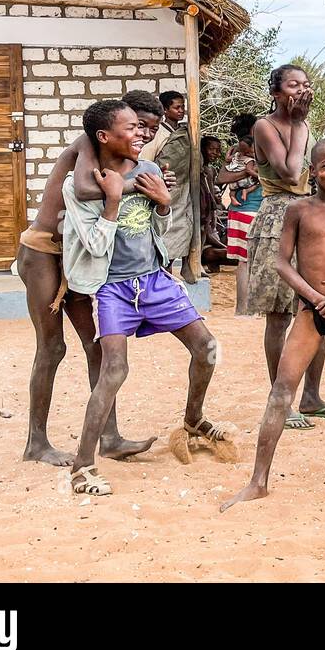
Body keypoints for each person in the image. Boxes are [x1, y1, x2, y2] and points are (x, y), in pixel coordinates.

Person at [62, 100, 229, 496]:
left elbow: (159, 226)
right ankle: (82, 466)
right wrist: (114, 200)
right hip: (111, 288)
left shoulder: (150, 170)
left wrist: (165, 204)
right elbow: (94, 244)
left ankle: (193, 420)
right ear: (104, 137)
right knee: (114, 371)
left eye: (142, 127)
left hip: (155, 279)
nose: (141, 134)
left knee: (206, 348)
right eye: (131, 128)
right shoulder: (79, 186)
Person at [16, 90, 166, 467]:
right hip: (44, 253)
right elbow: (84, 189)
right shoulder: (89, 140)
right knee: (52, 347)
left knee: (95, 345)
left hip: (79, 258)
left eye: (149, 131)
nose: (143, 136)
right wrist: (140, 187)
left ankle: (110, 438)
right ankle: (37, 442)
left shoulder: (125, 155)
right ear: (113, 128)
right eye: (138, 127)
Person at [222, 139, 325, 508]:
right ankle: (258, 481)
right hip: (311, 307)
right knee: (281, 391)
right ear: (313, 169)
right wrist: (317, 298)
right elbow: (281, 262)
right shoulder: (297, 209)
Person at [248, 65, 325, 430]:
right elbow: (289, 172)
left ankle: (312, 395)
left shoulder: (302, 125)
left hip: (310, 219)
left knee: (321, 309)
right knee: (280, 315)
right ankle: (281, 399)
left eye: (305, 84)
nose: (301, 91)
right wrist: (299, 126)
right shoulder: (265, 126)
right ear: (275, 92)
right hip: (277, 220)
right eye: (292, 85)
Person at [219, 123, 263, 316]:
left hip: (236, 212)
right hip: (253, 212)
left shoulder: (236, 158)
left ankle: (241, 309)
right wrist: (247, 171)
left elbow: (221, 177)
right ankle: (250, 309)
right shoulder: (263, 156)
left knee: (243, 263)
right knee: (253, 262)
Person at [153, 90, 195, 279]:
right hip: (167, 191)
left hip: (182, 192)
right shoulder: (159, 134)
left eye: (183, 107)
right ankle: (164, 280)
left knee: (181, 233)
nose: (181, 111)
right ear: (164, 109)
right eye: (177, 107)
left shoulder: (185, 132)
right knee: (165, 238)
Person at [199, 134, 230, 271]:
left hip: (209, 218)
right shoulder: (198, 170)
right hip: (202, 220)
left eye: (218, 151)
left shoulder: (210, 170)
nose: (216, 153)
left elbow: (211, 195)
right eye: (212, 149)